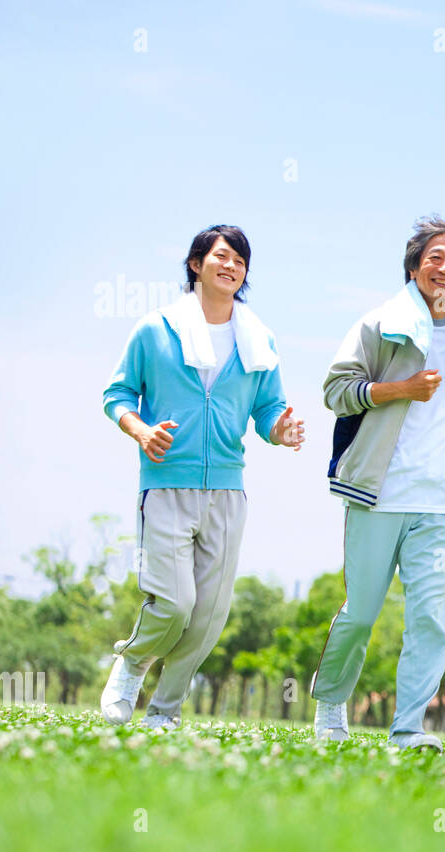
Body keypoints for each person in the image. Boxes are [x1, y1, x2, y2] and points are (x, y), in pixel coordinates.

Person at [311, 217, 445, 748]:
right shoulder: (380, 324)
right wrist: (398, 389)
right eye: (436, 258)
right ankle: (332, 704)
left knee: (430, 620)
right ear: (413, 267)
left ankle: (407, 729)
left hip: (440, 502)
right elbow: (336, 392)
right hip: (377, 495)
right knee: (359, 614)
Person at [101, 225, 305, 730]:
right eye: (221, 256)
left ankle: (164, 713)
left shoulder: (260, 339)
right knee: (174, 604)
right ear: (197, 265)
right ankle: (130, 664)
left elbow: (268, 408)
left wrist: (280, 429)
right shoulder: (156, 328)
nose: (231, 265)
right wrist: (141, 431)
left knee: (209, 614)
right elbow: (117, 395)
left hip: (228, 491)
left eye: (240, 260)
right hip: (167, 483)